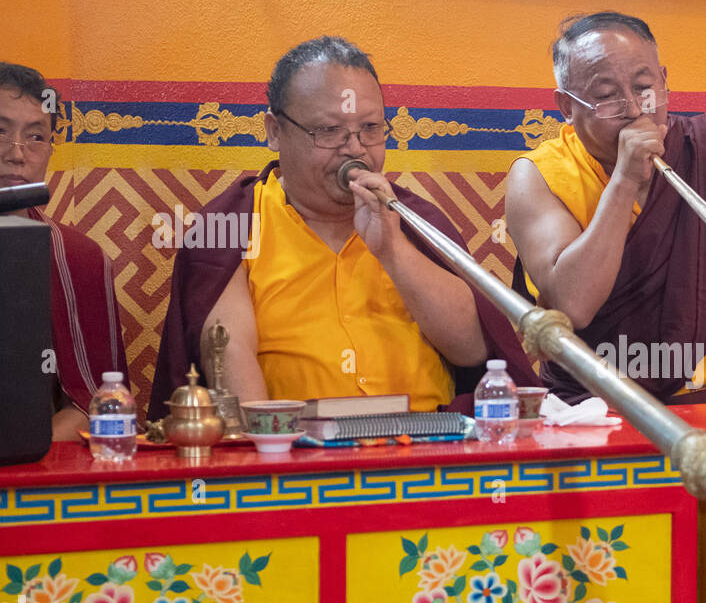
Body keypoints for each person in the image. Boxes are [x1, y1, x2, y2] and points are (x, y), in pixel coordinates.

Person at [150, 36, 535, 419]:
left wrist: (393, 250)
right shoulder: (229, 225)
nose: (355, 149)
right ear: (274, 131)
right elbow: (227, 360)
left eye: (370, 128)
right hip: (291, 451)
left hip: (427, 445)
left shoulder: (413, 221)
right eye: (329, 131)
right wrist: (273, 457)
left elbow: (474, 351)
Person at [505, 12, 706, 404]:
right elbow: (575, 305)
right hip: (612, 395)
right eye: (606, 97)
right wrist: (623, 180)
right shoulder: (538, 175)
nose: (636, 110)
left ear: (665, 82)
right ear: (567, 107)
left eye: (645, 88)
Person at [0, 62, 128, 440]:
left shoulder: (78, 259)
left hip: (35, 471)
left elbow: (100, 405)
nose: (17, 154)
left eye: (36, 137)